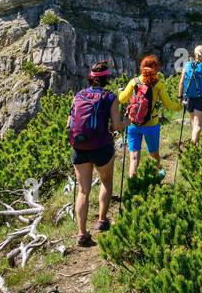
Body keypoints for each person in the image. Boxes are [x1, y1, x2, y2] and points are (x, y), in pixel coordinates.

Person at [67, 61, 120, 247]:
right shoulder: (110, 97)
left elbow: (69, 124)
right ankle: (102, 220)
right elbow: (116, 126)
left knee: (83, 190)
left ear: (91, 77)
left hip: (79, 147)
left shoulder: (78, 95)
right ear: (106, 78)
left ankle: (81, 233)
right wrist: (129, 120)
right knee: (106, 180)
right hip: (101, 147)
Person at [119, 54, 181, 179]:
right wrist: (181, 106)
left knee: (134, 157)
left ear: (142, 67)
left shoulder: (134, 82)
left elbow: (121, 99)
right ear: (156, 69)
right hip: (151, 124)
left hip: (133, 124)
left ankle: (133, 183)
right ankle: (158, 176)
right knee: (154, 153)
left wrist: (120, 91)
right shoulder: (158, 85)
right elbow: (168, 104)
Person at [179, 44, 202, 147]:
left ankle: (195, 145)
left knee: (193, 123)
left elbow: (181, 82)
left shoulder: (187, 65)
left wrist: (180, 97)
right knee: (198, 125)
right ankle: (192, 145)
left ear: (194, 53)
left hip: (189, 97)